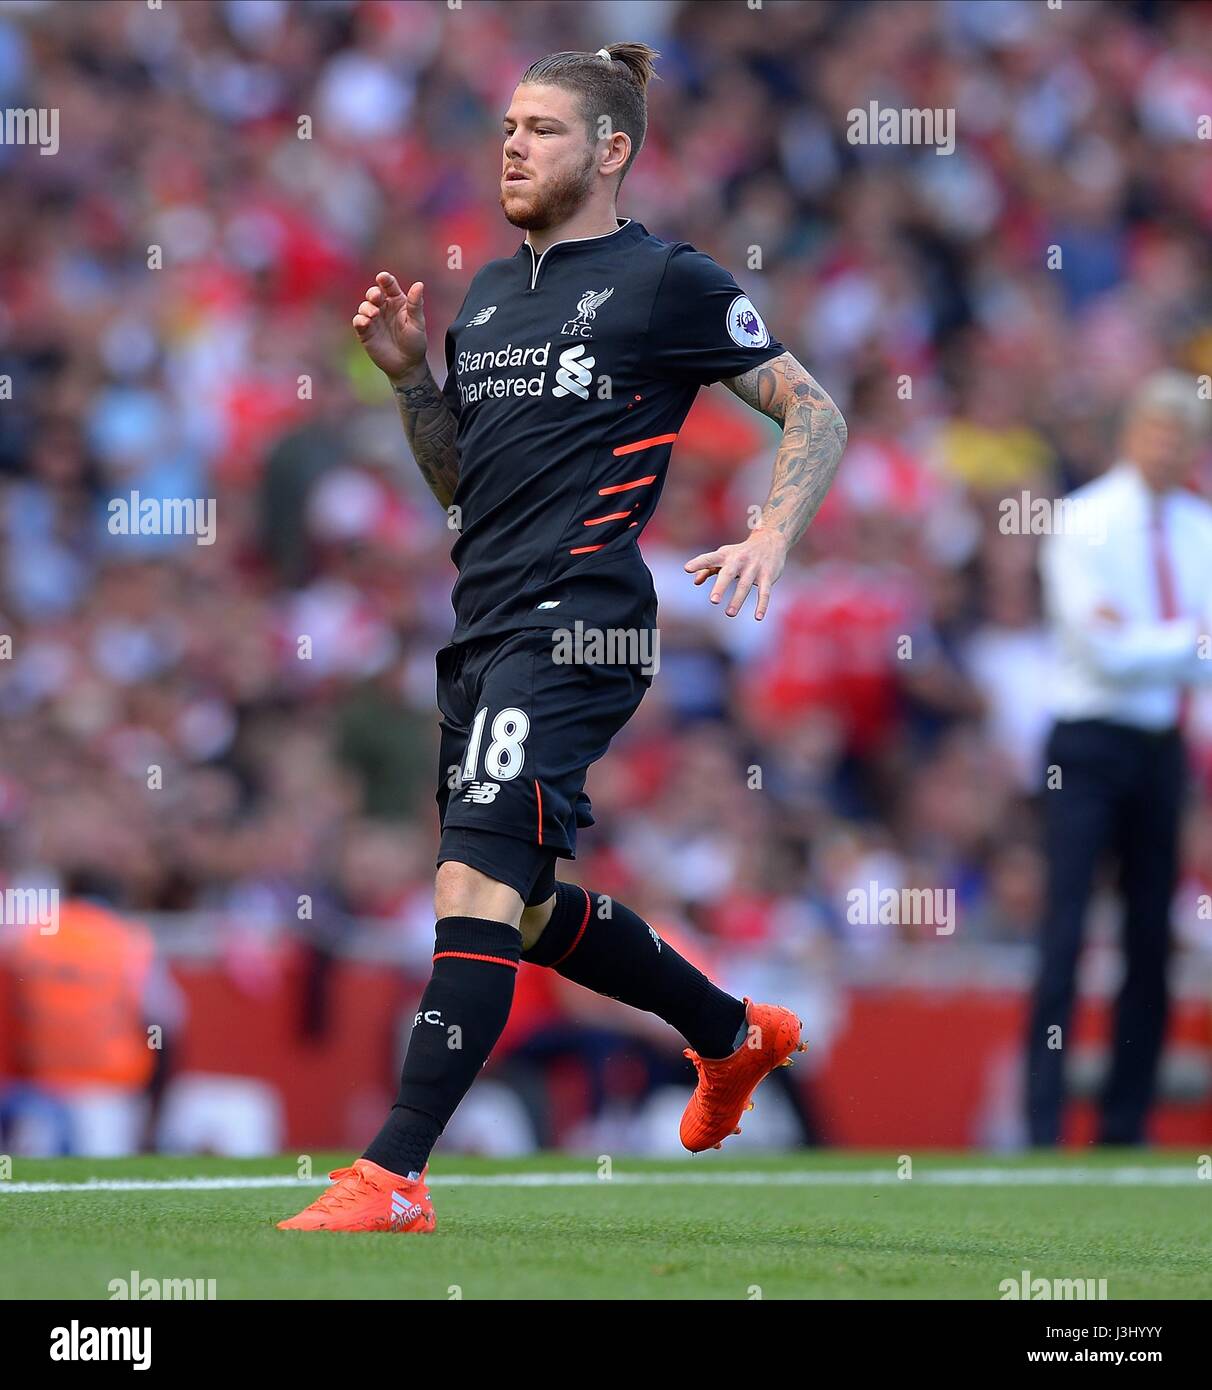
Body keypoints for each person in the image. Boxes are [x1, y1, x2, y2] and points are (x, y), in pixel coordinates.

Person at [280, 42, 847, 1233]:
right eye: (507, 126)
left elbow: (814, 406)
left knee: (471, 884)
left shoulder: (668, 282)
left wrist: (771, 533)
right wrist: (407, 383)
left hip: (579, 625)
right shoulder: (485, 299)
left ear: (611, 149)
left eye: (541, 127)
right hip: (481, 630)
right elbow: (464, 491)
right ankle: (731, 1034)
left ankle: (391, 1178)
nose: (514, 145)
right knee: (527, 907)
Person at [1026, 371, 1212, 1146]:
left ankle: (1123, 1123)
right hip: (1090, 740)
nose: (1170, 448)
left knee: (1148, 936)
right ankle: (1041, 1122)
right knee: (1066, 929)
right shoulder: (1085, 518)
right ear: (1132, 435)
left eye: (1183, 435)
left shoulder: (1200, 526)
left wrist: (1150, 646)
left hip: (1161, 744)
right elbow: (1096, 649)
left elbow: (1131, 645)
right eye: (1158, 432)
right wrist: (1183, 646)